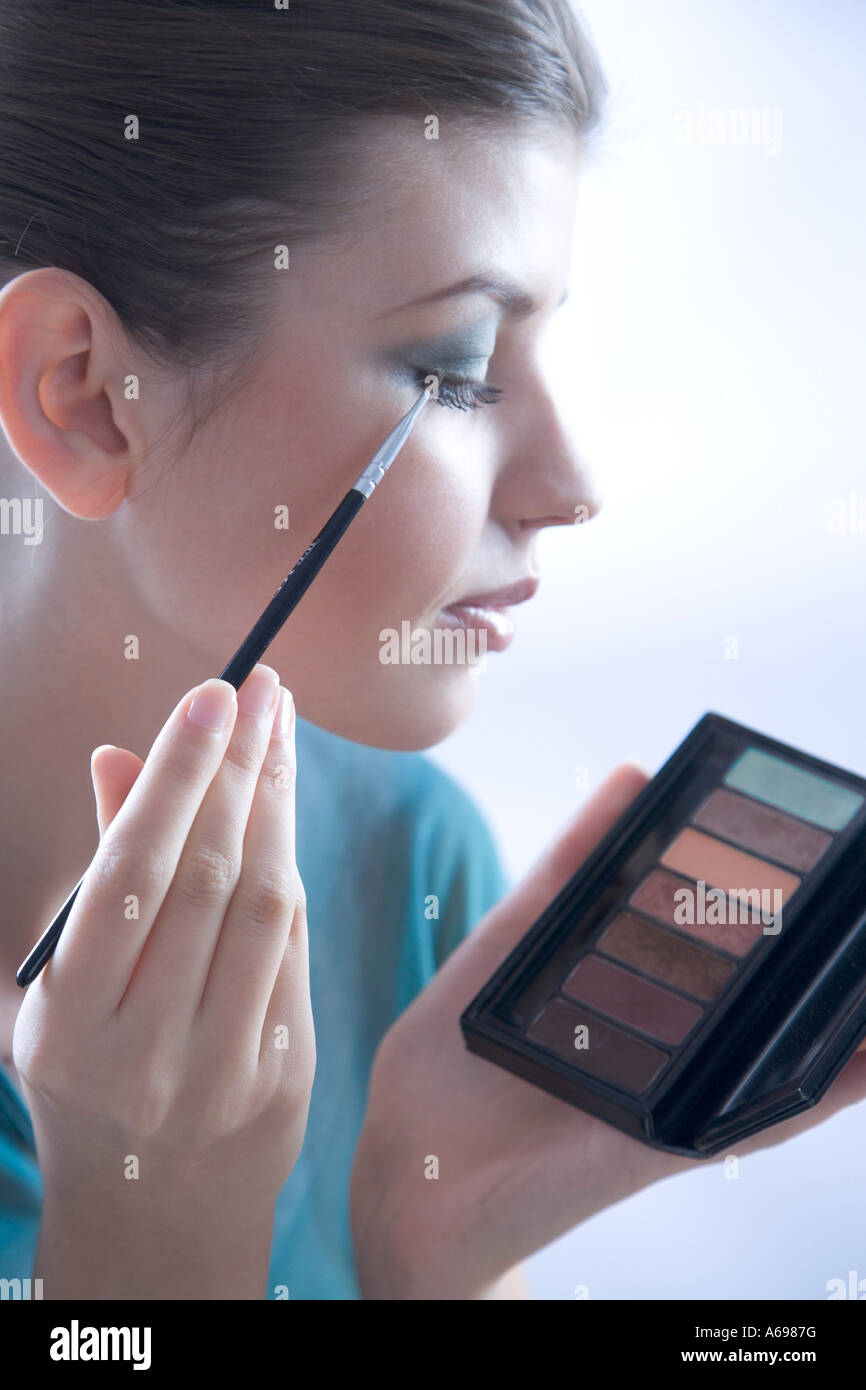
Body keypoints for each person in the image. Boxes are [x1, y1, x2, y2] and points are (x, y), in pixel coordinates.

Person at [1, 0, 864, 1301]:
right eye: (457, 368)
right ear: (81, 394)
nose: (572, 486)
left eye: (545, 337)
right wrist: (158, 1224)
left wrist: (430, 1251)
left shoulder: (410, 858)